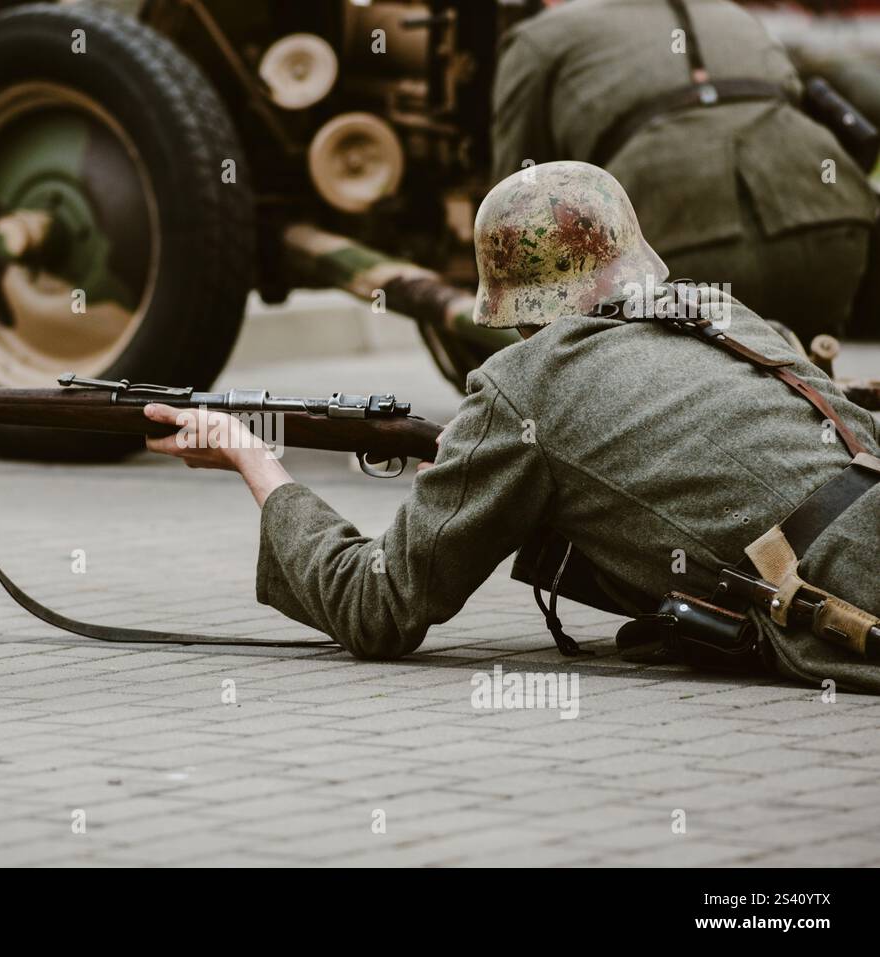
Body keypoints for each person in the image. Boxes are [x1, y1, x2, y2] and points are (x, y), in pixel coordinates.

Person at [143, 161, 880, 693]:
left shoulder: (526, 382)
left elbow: (375, 607)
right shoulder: (721, 313)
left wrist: (253, 458)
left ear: (516, 302)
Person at [489, 0, 877, 339]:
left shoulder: (541, 39)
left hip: (672, 247)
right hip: (831, 227)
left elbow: (518, 196)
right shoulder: (735, 16)